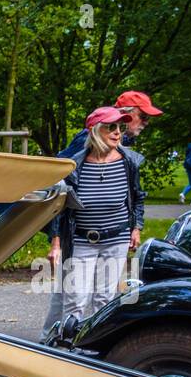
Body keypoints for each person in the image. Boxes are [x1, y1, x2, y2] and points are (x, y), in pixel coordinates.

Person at [45, 106, 146, 337]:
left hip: (117, 240)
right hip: (81, 239)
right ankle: (67, 349)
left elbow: (138, 197)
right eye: (111, 127)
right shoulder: (74, 165)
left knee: (104, 300)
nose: (117, 132)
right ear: (95, 130)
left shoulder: (129, 162)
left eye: (120, 127)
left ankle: (95, 350)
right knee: (75, 300)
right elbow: (59, 209)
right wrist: (56, 243)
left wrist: (136, 228)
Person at [57, 90, 162, 158]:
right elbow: (60, 168)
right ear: (124, 113)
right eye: (143, 117)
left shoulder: (124, 139)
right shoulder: (93, 138)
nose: (146, 122)